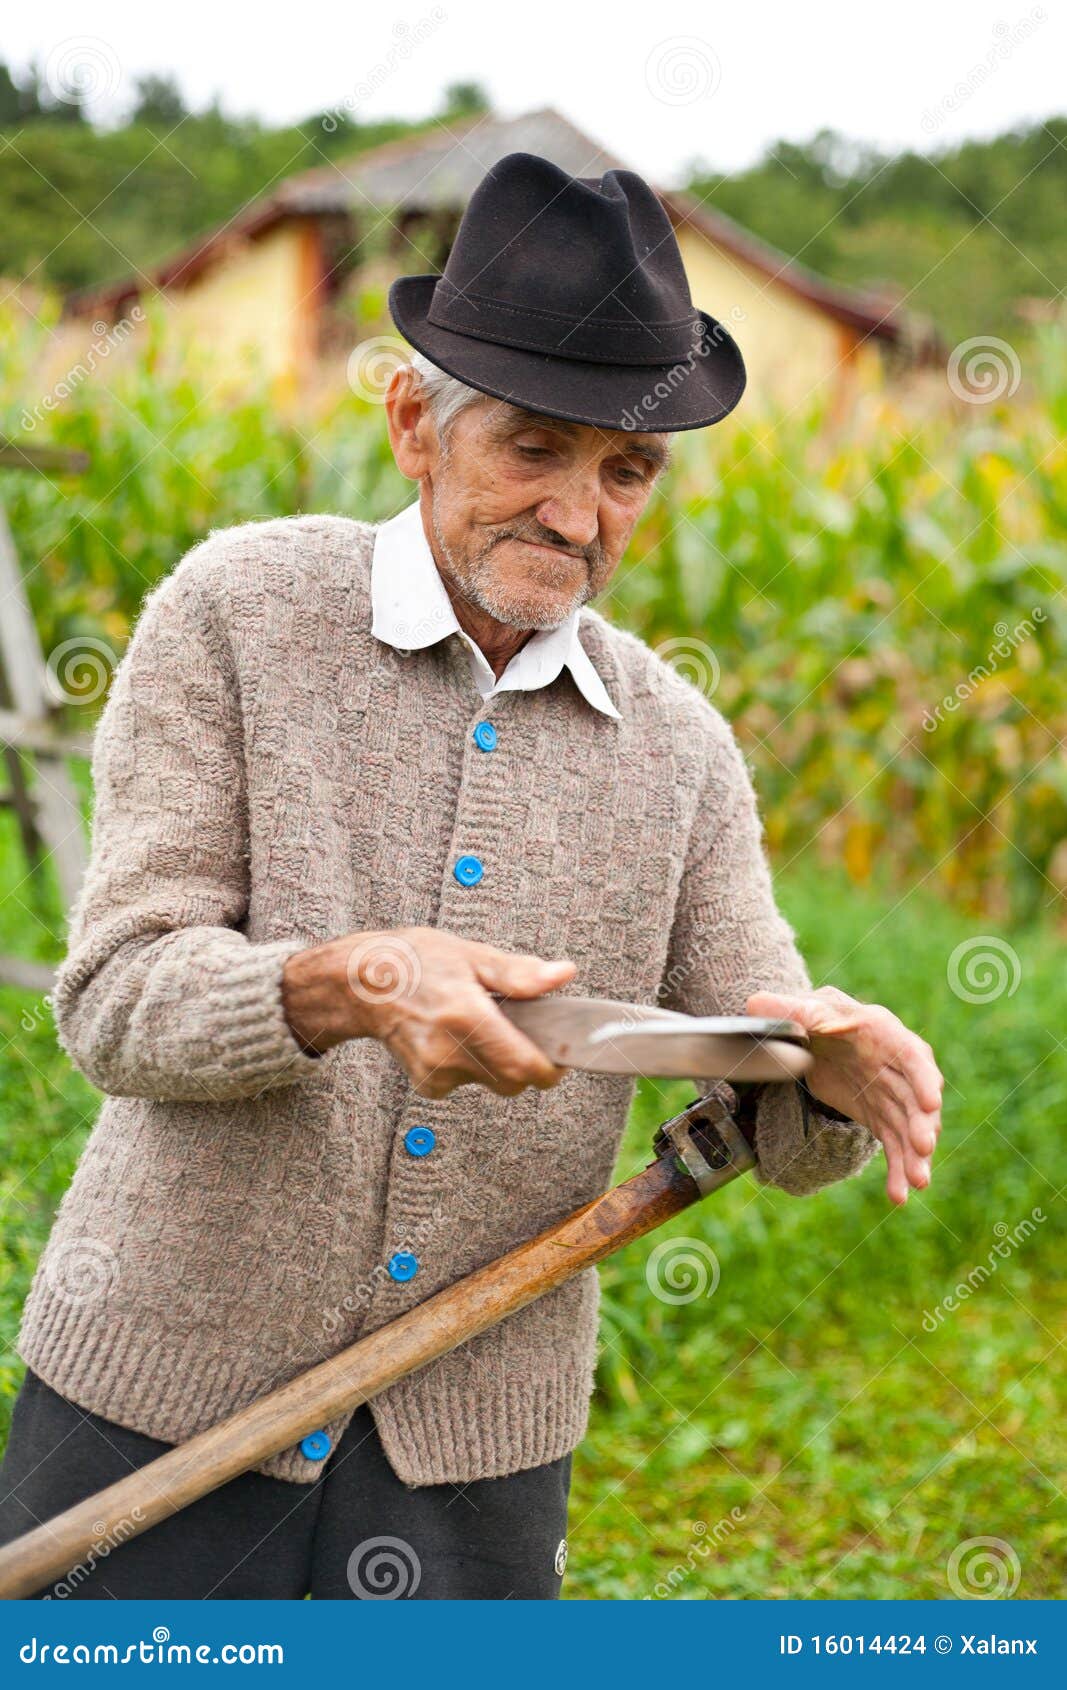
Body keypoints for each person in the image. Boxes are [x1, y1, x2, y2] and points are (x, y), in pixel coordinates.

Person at [0, 152, 942, 1599]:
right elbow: (116, 1000)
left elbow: (765, 1095)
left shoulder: (679, 748)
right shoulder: (237, 615)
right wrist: (349, 983)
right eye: (534, 449)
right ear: (412, 425)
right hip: (154, 1406)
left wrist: (825, 1072)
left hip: (470, 1474)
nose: (579, 512)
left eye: (626, 469)